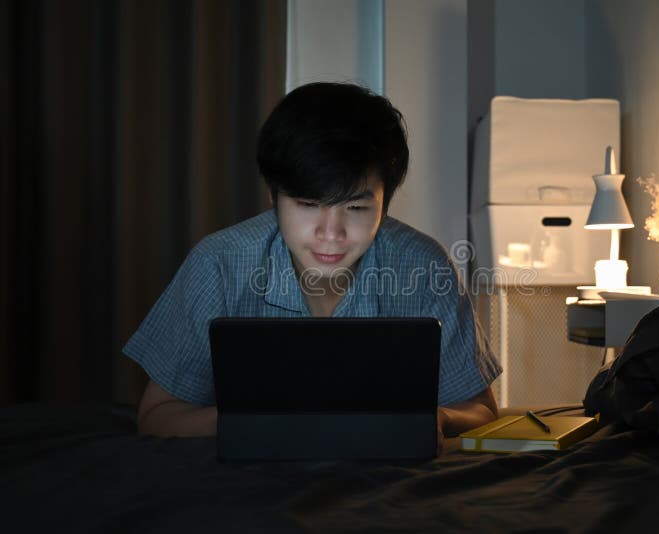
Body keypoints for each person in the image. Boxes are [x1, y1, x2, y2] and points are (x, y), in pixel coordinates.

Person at [123, 82, 501, 450]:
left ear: (385, 205)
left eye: (355, 208)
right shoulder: (218, 264)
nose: (331, 233)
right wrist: (254, 422)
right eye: (307, 204)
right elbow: (156, 417)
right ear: (274, 196)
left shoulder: (424, 266)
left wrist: (437, 418)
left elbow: (482, 409)